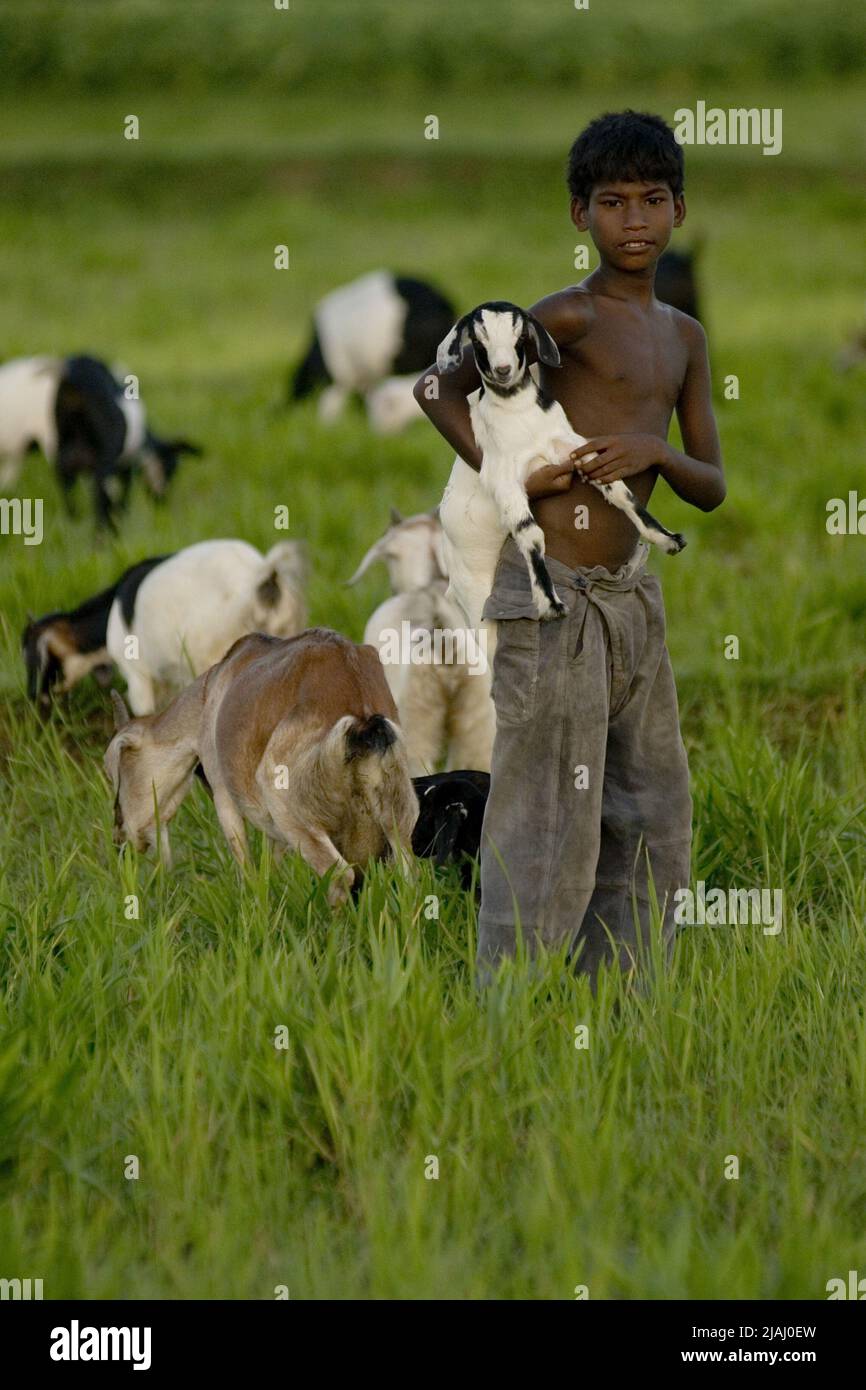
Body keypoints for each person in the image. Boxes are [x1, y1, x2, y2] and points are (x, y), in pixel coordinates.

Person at [414, 110, 725, 985]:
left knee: (648, 806)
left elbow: (712, 483)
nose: (635, 219)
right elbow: (438, 383)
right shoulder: (567, 316)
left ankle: (627, 996)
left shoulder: (684, 338)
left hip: (632, 599)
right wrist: (520, 480)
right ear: (577, 215)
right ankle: (508, 1007)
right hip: (551, 600)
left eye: (653, 200)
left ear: (680, 211)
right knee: (546, 810)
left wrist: (656, 452)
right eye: (613, 201)